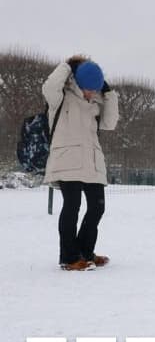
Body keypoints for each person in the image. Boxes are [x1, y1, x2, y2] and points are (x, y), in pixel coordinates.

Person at [43, 55, 120, 271]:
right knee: (72, 206)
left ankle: (85, 252)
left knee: (97, 207)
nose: (91, 93)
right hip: (67, 159)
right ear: (77, 82)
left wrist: (108, 93)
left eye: (95, 89)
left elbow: (110, 123)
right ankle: (69, 257)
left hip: (91, 161)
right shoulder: (61, 96)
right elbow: (49, 86)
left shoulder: (96, 101)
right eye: (88, 89)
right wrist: (68, 65)